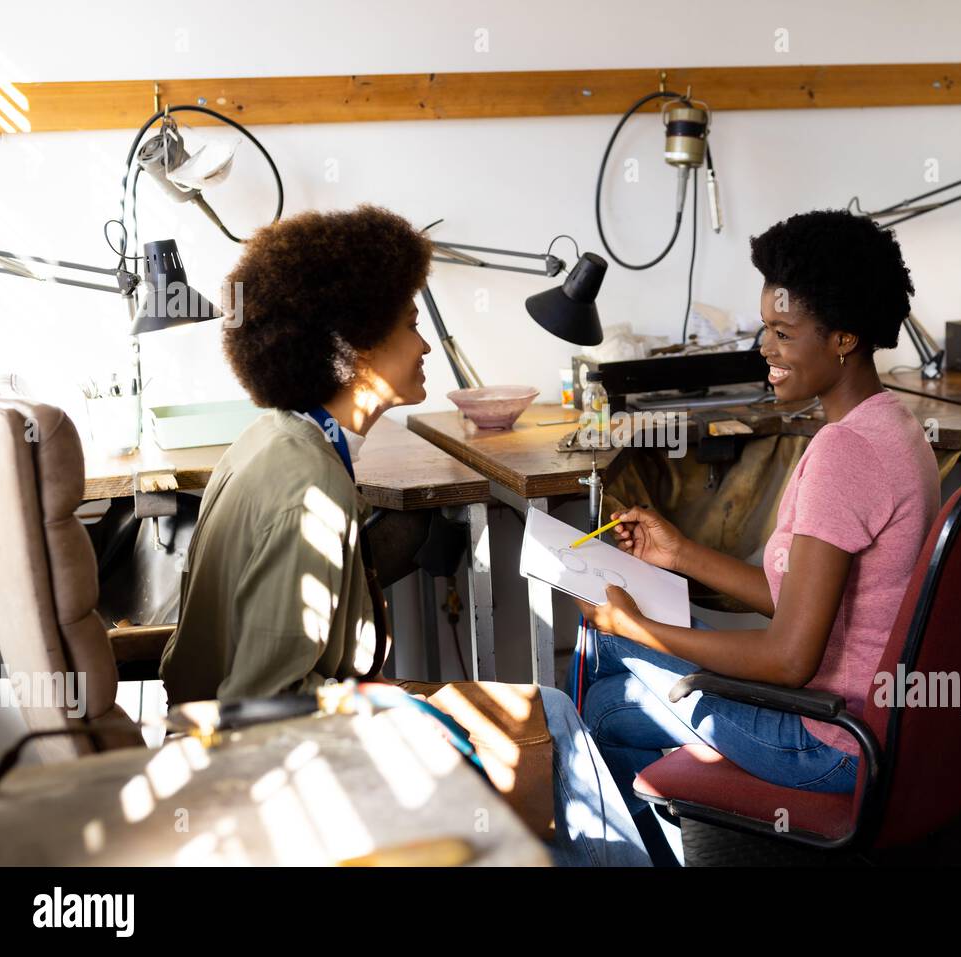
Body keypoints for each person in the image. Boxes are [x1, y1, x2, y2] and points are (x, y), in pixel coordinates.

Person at [160, 204, 649, 867]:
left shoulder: (273, 440)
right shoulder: (307, 479)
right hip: (266, 765)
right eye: (411, 324)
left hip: (249, 734)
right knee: (553, 716)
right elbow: (267, 704)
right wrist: (404, 706)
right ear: (354, 346)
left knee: (548, 712)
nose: (423, 345)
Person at [574, 209, 940, 865]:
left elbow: (789, 659)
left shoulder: (844, 452)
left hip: (830, 734)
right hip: (880, 719)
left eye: (782, 332)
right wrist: (678, 553)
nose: (763, 348)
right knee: (605, 663)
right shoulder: (892, 425)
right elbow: (798, 600)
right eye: (762, 328)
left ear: (844, 338)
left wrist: (637, 630)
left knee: (603, 700)